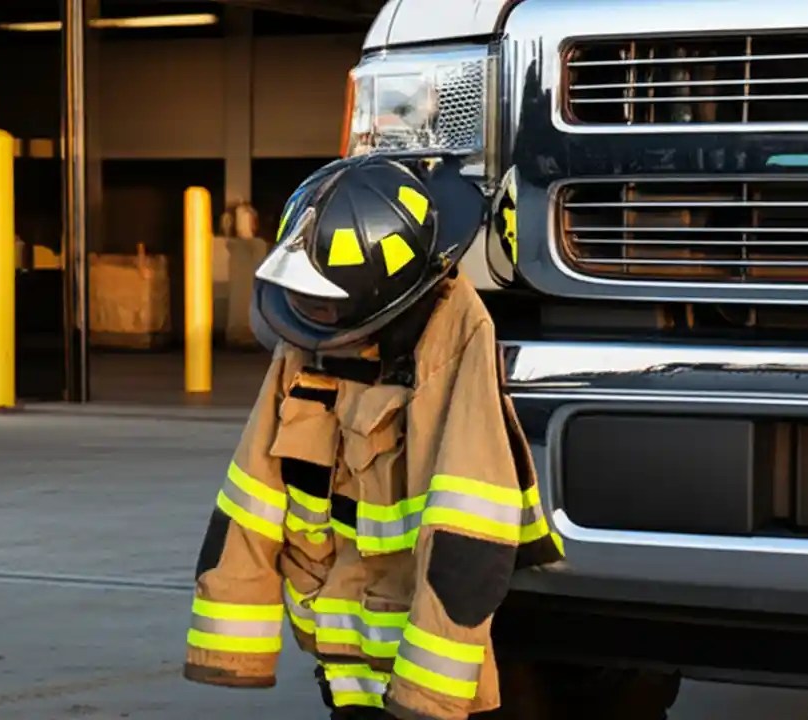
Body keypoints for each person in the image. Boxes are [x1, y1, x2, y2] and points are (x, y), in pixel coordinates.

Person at [183, 153, 565, 720]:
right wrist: (230, 644)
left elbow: (469, 537)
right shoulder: (310, 341)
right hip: (340, 652)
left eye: (323, 306)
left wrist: (428, 692)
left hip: (418, 657)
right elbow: (251, 496)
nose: (310, 316)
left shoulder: (453, 343)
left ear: (382, 297)